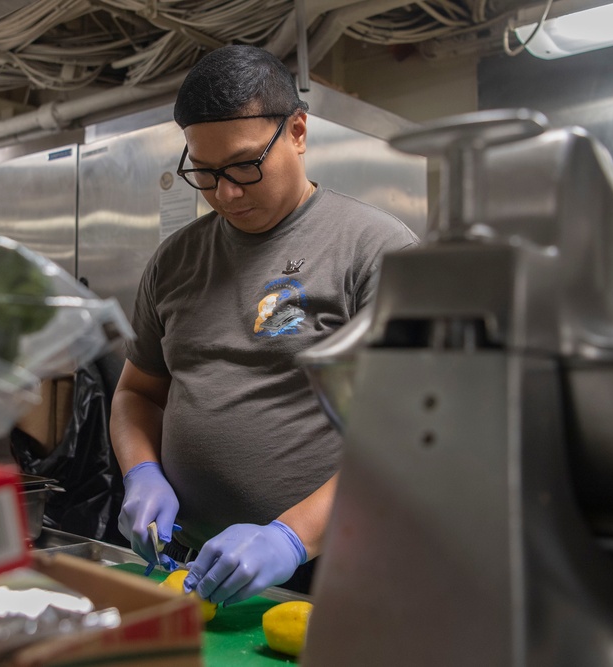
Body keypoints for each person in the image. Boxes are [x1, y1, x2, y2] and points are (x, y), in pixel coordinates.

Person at [110, 44, 419, 607]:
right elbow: (138, 392)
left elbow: (411, 441)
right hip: (192, 567)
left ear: (298, 132)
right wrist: (142, 471)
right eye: (204, 172)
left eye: (245, 166)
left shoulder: (375, 250)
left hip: (332, 571)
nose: (225, 192)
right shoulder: (174, 261)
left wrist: (291, 538)